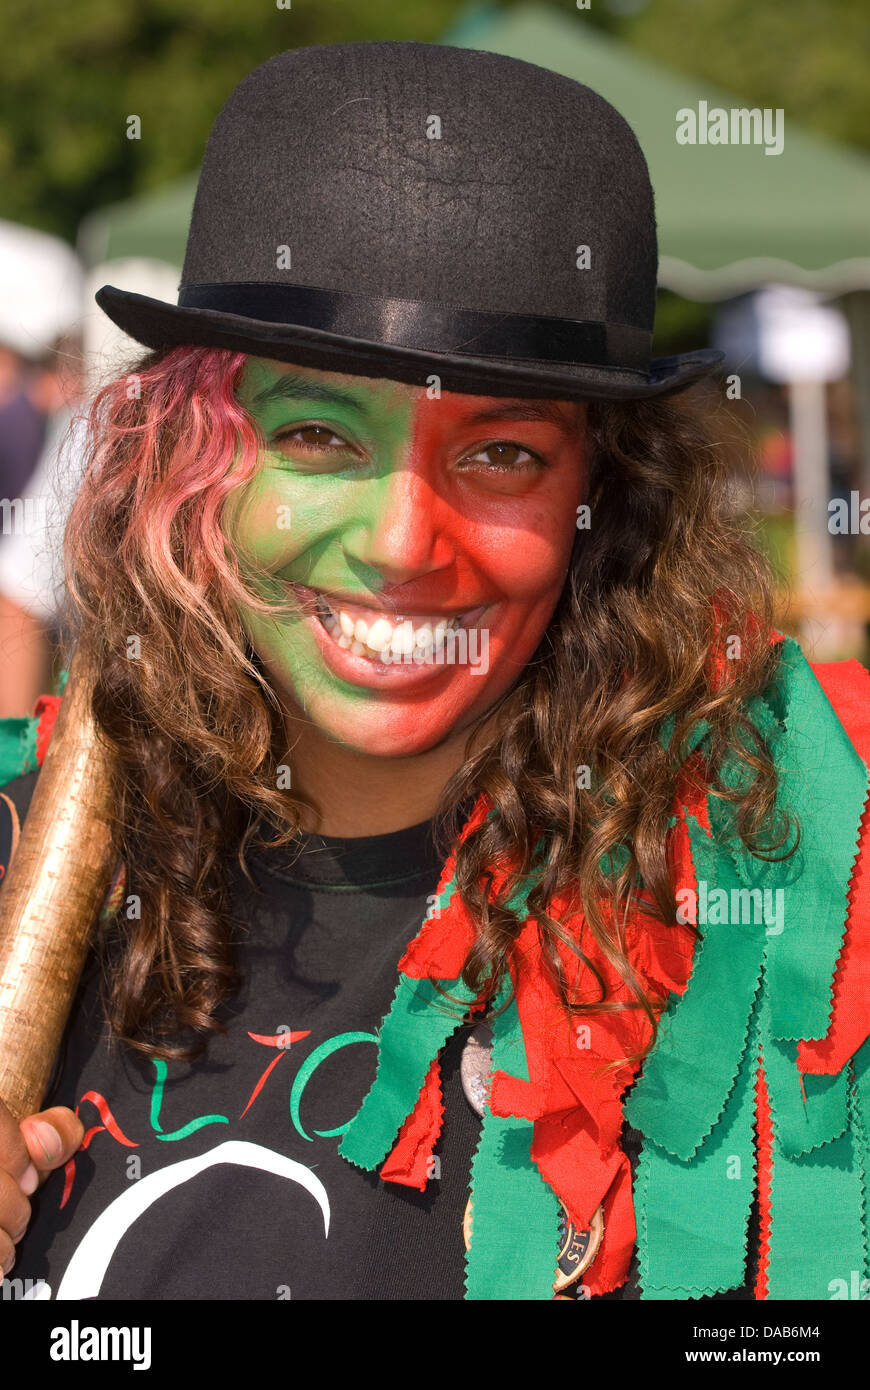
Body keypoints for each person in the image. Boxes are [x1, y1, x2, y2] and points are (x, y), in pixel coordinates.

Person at [0, 41, 868, 1302]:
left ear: (607, 497)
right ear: (191, 469)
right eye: (314, 433)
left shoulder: (782, 890)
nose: (406, 542)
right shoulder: (19, 839)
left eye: (503, 452)